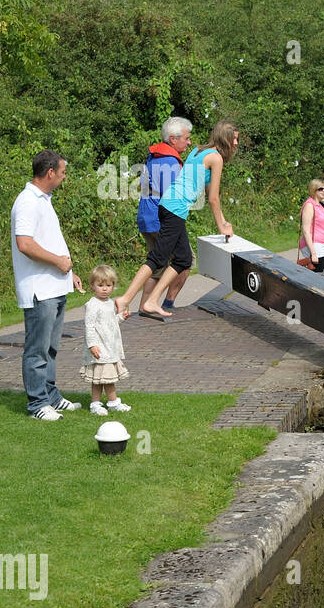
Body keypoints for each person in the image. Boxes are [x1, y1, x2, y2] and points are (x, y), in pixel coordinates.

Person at [116, 120, 238, 320]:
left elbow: (210, 194)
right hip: (174, 208)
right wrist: (221, 227)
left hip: (169, 206)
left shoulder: (198, 151)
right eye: (234, 139)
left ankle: (151, 301)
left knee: (183, 259)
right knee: (157, 258)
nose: (236, 144)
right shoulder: (216, 158)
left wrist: (224, 223)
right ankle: (126, 298)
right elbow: (213, 198)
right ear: (225, 138)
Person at [11, 150, 84, 421]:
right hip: (39, 289)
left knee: (51, 347)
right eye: (63, 172)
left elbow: (50, 239)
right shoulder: (28, 201)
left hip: (55, 286)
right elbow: (25, 244)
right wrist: (58, 263)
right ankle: (37, 404)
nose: (64, 177)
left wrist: (70, 273)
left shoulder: (44, 200)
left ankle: (51, 395)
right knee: (37, 349)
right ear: (50, 172)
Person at [135, 116, 193, 311]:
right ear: (172, 139)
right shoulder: (170, 162)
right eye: (186, 137)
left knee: (157, 264)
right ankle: (164, 305)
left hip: (146, 215)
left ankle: (145, 307)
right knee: (184, 260)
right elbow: (173, 197)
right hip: (159, 218)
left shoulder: (155, 156)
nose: (189, 141)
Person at [81, 263, 131, 416]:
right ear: (92, 286)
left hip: (110, 347)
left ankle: (102, 403)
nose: (104, 288)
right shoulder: (92, 305)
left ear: (113, 286)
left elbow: (111, 323)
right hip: (100, 349)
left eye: (108, 285)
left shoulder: (109, 303)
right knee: (103, 379)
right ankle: (107, 403)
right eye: (100, 285)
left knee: (103, 378)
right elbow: (89, 326)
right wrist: (92, 345)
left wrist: (121, 317)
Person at [298, 179, 324, 273]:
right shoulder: (309, 205)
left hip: (321, 246)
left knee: (319, 274)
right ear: (313, 190)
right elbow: (306, 230)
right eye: (320, 189)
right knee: (316, 276)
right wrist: (313, 253)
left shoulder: (318, 205)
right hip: (315, 247)